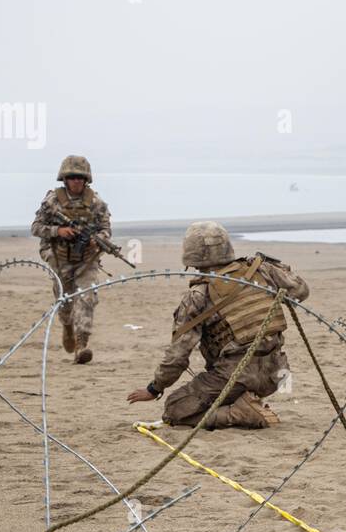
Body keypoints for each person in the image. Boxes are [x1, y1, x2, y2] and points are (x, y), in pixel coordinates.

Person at [126, 221, 309, 429]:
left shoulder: (198, 295)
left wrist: (154, 388)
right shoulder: (261, 271)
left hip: (235, 376)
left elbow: (177, 356)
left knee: (175, 408)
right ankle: (244, 403)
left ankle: (239, 413)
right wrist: (272, 268)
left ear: (191, 254)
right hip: (276, 374)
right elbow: (301, 291)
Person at [30, 155, 111, 364]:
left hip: (87, 260)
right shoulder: (52, 202)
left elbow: (106, 230)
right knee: (65, 303)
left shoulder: (97, 203)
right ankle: (67, 327)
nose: (76, 181)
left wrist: (97, 240)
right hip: (60, 259)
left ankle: (81, 344)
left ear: (86, 180)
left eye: (80, 177)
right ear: (64, 179)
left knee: (87, 298)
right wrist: (59, 231)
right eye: (72, 177)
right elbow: (36, 228)